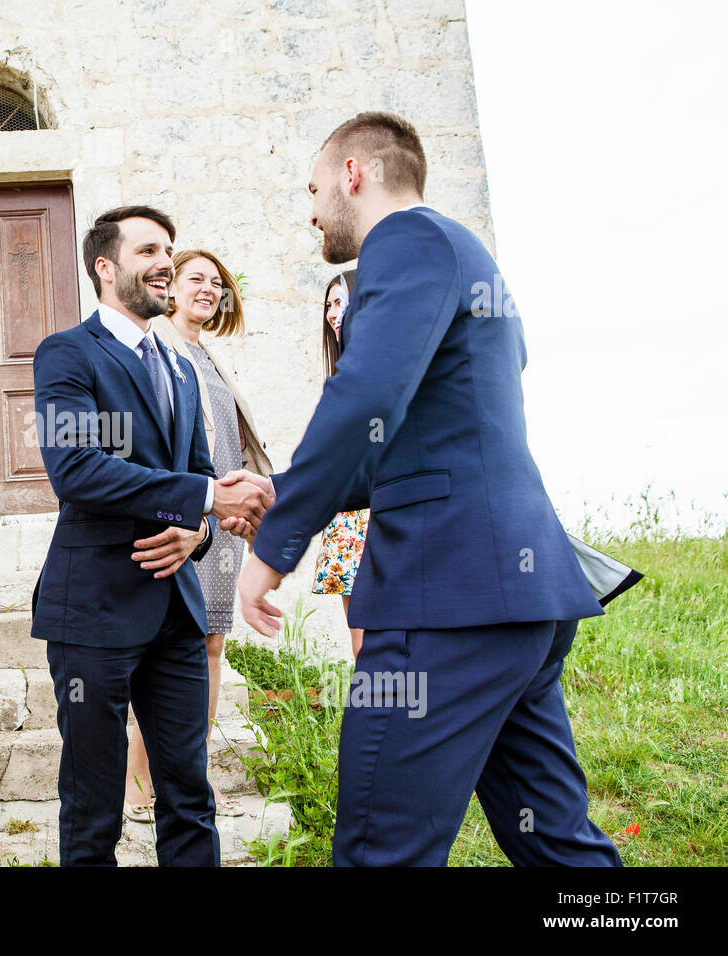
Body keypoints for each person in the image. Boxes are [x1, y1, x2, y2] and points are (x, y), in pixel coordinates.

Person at [232, 112, 622, 866]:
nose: (310, 212)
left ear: (354, 174)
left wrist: (276, 547)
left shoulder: (405, 243)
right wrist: (290, 487)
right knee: (560, 849)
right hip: (513, 603)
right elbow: (431, 427)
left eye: (312, 190)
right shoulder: (466, 253)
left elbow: (366, 396)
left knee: (382, 852)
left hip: (444, 596)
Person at [30, 207, 270, 866]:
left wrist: (195, 532)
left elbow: (194, 477)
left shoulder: (183, 367)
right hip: (94, 608)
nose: (165, 261)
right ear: (106, 267)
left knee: (190, 793)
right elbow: (75, 469)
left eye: (168, 248)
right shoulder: (68, 353)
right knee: (94, 799)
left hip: (176, 610)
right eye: (148, 250)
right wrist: (201, 499)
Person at [120, 249, 272, 821]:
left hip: (222, 522)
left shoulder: (207, 355)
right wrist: (189, 513)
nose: (208, 289)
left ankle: (188, 778)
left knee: (211, 646)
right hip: (186, 516)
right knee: (170, 652)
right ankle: (137, 784)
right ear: (172, 288)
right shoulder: (157, 348)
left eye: (217, 283)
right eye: (195, 280)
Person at [310, 270, 368, 659]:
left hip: (379, 511)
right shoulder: (339, 377)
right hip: (348, 516)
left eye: (341, 302)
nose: (333, 313)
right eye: (329, 304)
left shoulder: (380, 366)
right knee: (361, 639)